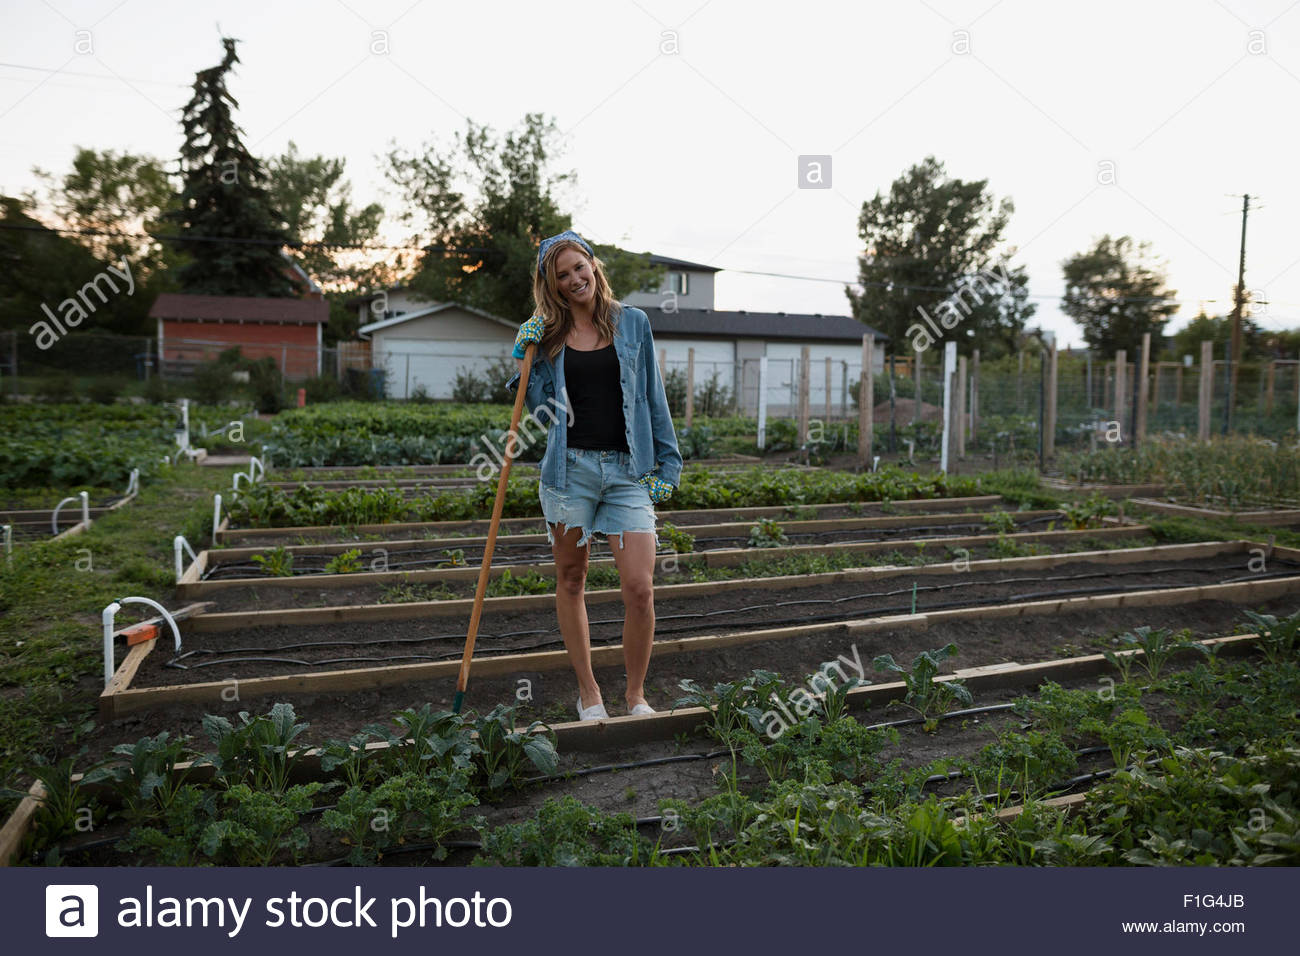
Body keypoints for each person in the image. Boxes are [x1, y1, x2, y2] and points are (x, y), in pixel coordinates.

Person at [506, 229, 682, 721]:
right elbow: (538, 411)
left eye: (578, 267)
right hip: (570, 471)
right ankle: (589, 695)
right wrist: (525, 356)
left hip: (628, 471)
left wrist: (668, 462)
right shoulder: (550, 335)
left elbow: (651, 396)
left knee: (640, 588)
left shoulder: (634, 324)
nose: (574, 279)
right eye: (562, 275)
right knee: (571, 578)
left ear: (592, 264)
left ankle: (636, 696)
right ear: (553, 285)